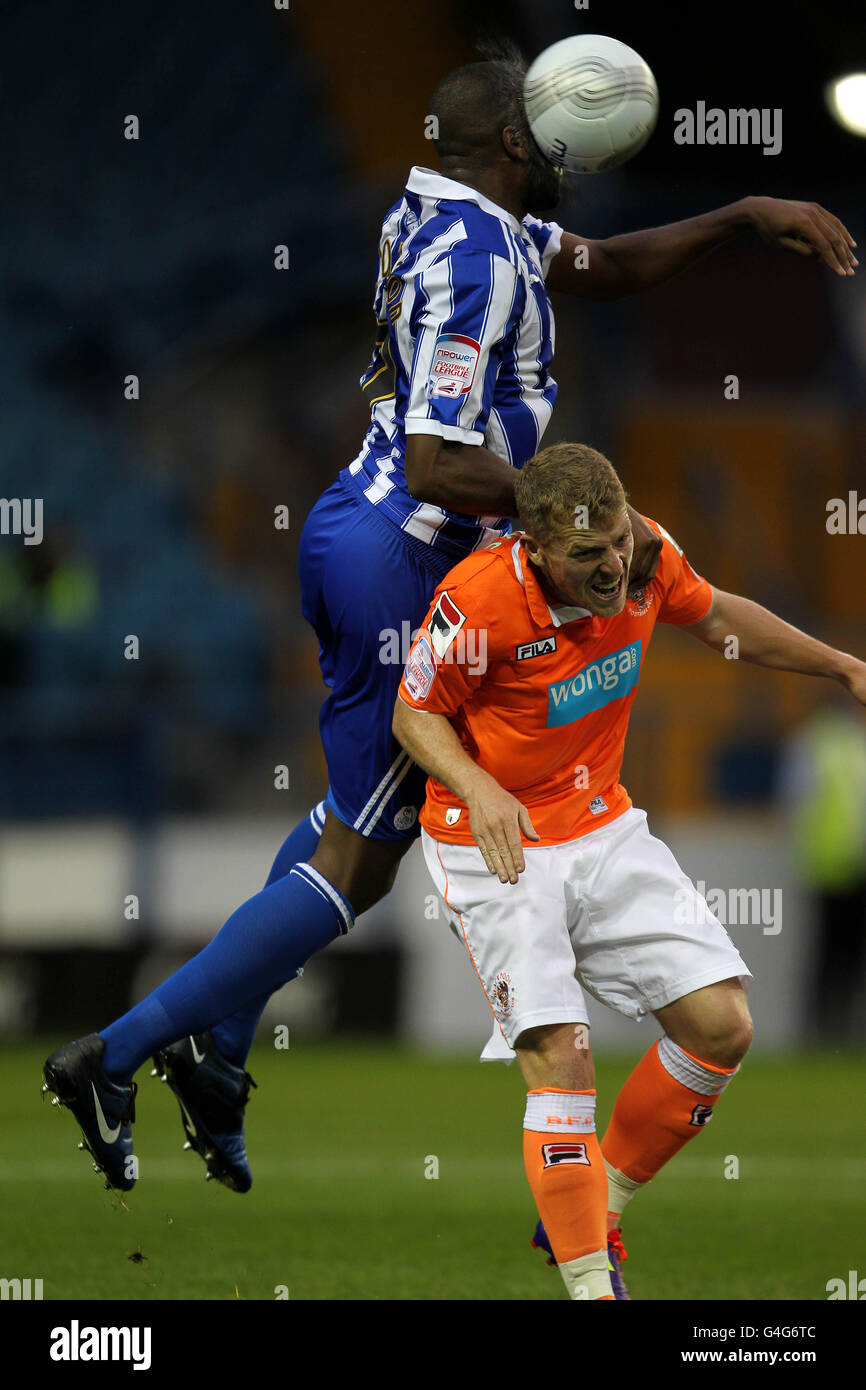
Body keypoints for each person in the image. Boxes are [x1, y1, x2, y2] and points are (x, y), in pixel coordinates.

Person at [42, 56, 857, 1197]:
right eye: (546, 132)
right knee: (355, 865)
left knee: (350, 816)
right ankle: (117, 1055)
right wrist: (560, 513)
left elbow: (609, 266)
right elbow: (436, 458)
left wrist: (737, 216)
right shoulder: (480, 261)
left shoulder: (445, 207)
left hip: (360, 526)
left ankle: (217, 1050)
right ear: (518, 151)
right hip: (401, 546)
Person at [392, 442, 866, 1301]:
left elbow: (720, 619)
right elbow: (412, 715)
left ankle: (590, 1204)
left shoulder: (644, 550)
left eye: (615, 540)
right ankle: (593, 1288)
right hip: (492, 839)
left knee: (723, 1026)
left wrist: (841, 665)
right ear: (533, 549)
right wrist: (476, 783)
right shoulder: (478, 601)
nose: (614, 566)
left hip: (601, 822)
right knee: (564, 1056)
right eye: (587, 556)